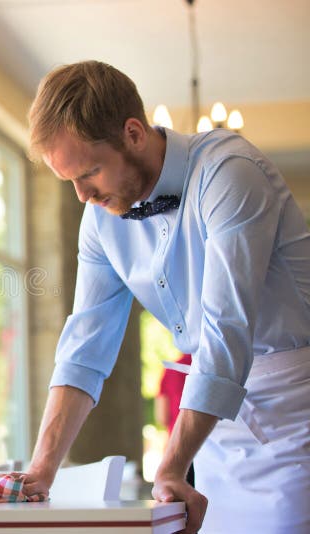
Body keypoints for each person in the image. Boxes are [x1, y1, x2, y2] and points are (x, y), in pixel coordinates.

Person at [21, 60, 310, 534]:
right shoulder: (99, 218)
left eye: (90, 172)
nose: (80, 196)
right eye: (68, 180)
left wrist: (170, 466)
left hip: (295, 418)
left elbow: (224, 333)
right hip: (214, 432)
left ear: (133, 133)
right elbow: (84, 350)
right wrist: (41, 471)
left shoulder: (229, 173)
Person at [155, 353, 194, 486]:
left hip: (178, 446)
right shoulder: (213, 365)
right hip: (209, 445)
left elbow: (162, 417)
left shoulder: (171, 369)